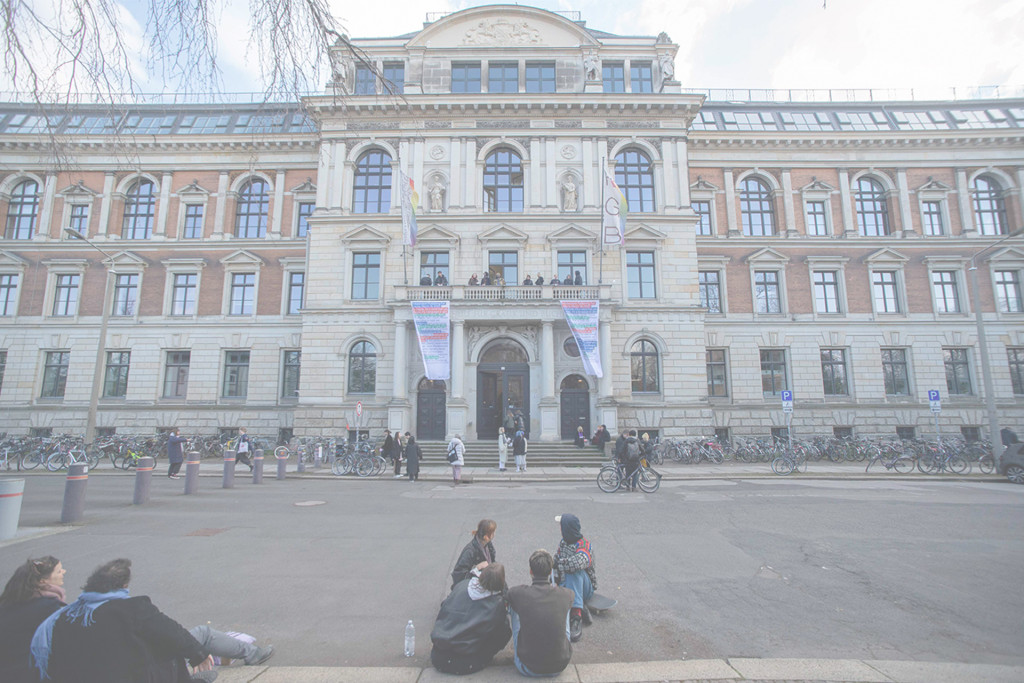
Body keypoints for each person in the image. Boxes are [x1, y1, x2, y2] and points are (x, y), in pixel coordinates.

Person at [31, 558, 273, 683]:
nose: (62, 574)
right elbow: (171, 633)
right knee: (202, 635)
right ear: (123, 587)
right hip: (134, 671)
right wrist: (198, 654)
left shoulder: (64, 616)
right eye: (58, 571)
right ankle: (252, 654)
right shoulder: (131, 608)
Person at [430, 563, 510, 675]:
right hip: (464, 662)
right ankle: (480, 657)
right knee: (505, 630)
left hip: (437, 656)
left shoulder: (463, 585)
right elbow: (502, 633)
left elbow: (444, 605)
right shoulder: (497, 604)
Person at [507, 550, 573, 677]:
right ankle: (560, 647)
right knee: (565, 606)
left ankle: (521, 649)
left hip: (527, 667)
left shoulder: (520, 593)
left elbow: (509, 594)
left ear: (531, 571)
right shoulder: (566, 594)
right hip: (560, 666)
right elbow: (571, 595)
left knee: (513, 605)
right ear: (550, 572)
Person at [0, 556, 66, 683]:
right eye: (58, 571)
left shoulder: (9, 601)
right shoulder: (48, 607)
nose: (64, 572)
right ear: (42, 581)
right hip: (29, 672)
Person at [553, 514, 597, 643]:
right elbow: (556, 559)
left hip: (584, 586)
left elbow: (578, 563)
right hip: (566, 582)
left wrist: (558, 564)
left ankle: (576, 616)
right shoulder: (563, 543)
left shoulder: (584, 545)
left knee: (574, 572)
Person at [450, 519, 497, 590]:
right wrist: (477, 568)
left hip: (483, 581)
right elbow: (458, 576)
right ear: (486, 537)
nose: (494, 534)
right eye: (493, 533)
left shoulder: (487, 544)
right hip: (471, 588)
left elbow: (492, 560)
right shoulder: (469, 552)